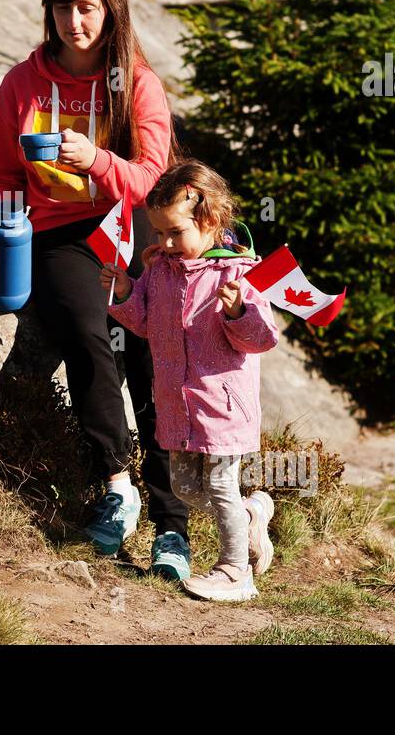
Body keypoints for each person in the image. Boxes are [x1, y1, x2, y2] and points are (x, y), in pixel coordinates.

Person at [0, 0, 194, 578]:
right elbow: (2, 173)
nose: (73, 21)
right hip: (55, 236)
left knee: (152, 356)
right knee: (85, 330)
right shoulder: (23, 83)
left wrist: (95, 161)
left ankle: (172, 524)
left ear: (110, 12)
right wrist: (4, 232)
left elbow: (154, 184)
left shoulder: (135, 83)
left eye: (87, 8)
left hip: (130, 229)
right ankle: (115, 483)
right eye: (62, 6)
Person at [103, 159, 279, 600]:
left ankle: (236, 571)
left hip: (222, 405)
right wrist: (125, 292)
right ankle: (253, 514)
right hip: (176, 405)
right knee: (184, 486)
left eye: (175, 233)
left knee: (219, 485)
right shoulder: (160, 270)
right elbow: (144, 324)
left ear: (212, 221)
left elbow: (262, 339)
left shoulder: (238, 273)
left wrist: (238, 311)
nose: (164, 242)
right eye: (158, 232)